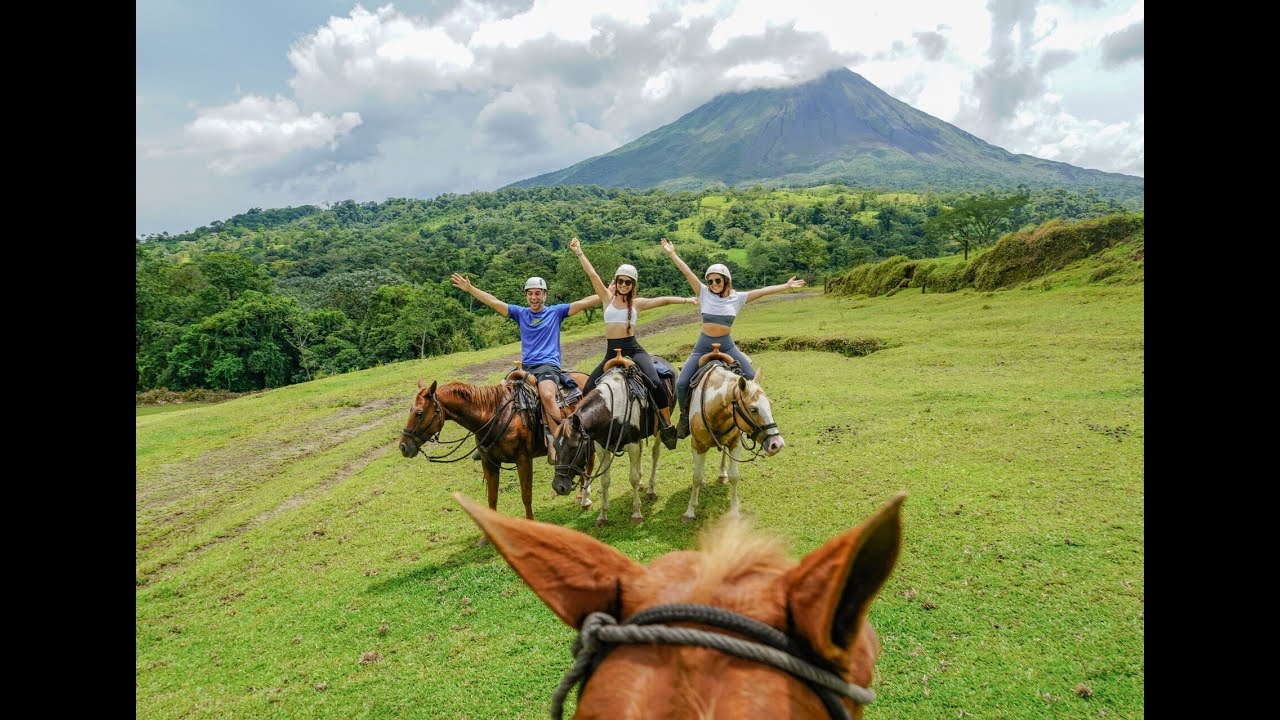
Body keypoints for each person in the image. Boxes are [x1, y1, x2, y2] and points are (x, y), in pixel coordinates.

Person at [660, 238, 807, 438]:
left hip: (727, 346)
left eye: (717, 280)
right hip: (703, 346)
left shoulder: (737, 298)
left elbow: (763, 292)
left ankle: (751, 419)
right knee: (681, 383)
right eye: (710, 281)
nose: (713, 284)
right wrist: (672, 253)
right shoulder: (703, 293)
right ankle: (685, 418)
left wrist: (786, 286)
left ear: (726, 280)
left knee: (752, 379)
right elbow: (687, 272)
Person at [569, 237, 695, 450]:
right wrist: (579, 251)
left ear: (633, 285)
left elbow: (663, 300)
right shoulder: (606, 298)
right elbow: (593, 275)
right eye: (621, 281)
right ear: (616, 282)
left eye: (628, 282)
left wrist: (686, 300)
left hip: (632, 349)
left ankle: (666, 424)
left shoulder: (637, 304)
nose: (624, 285)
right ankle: (582, 429)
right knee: (589, 387)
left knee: (655, 383)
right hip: (611, 352)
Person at [449, 270, 599, 437]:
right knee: (500, 397)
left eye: (537, 293)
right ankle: (491, 438)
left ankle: (559, 440)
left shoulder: (556, 312)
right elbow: (494, 302)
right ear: (526, 296)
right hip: (525, 367)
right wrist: (470, 289)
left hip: (548, 366)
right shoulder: (520, 313)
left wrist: (607, 293)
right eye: (530, 294)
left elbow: (583, 302)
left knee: (548, 395)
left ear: (545, 295)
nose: (534, 297)